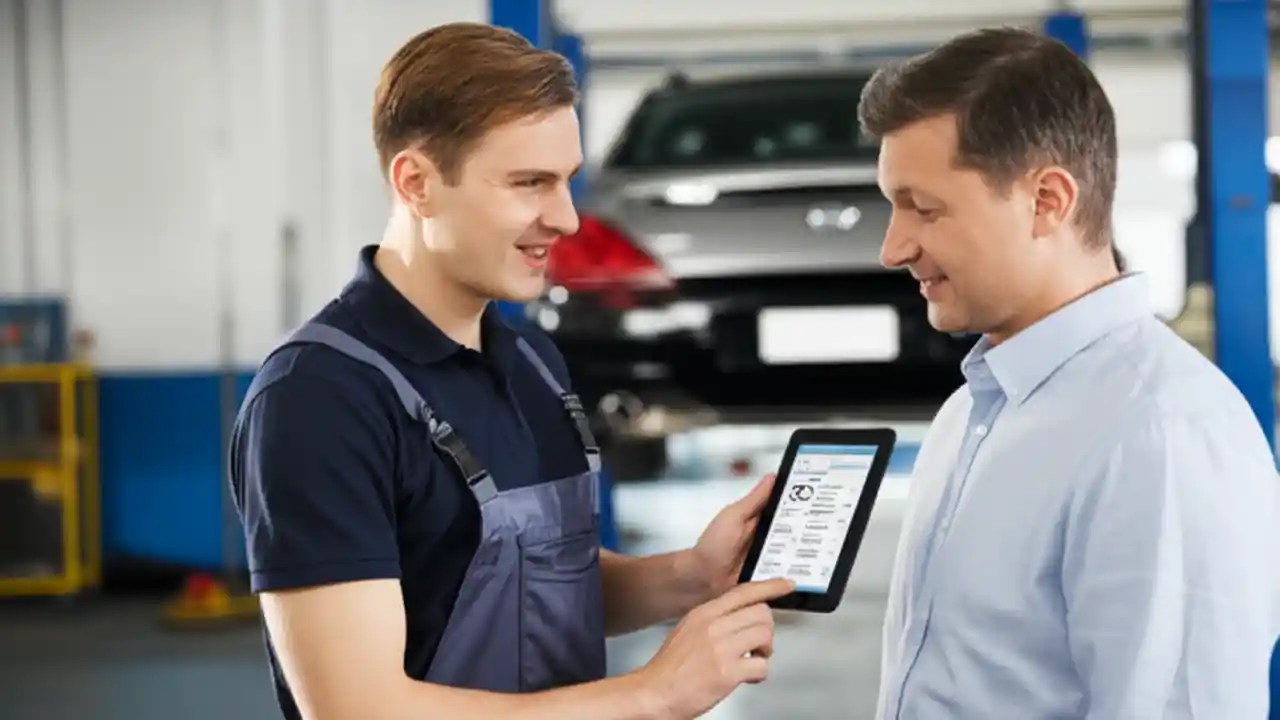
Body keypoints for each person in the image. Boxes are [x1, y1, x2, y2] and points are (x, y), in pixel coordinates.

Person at [227, 22, 793, 720]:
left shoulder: (532, 364)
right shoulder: (318, 400)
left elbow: (535, 582)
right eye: (530, 184)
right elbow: (357, 708)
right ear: (416, 183)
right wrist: (654, 693)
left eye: (567, 182)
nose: (566, 219)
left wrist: (690, 577)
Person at [857, 27, 1280, 719]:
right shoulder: (974, 411)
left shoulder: (1157, 432)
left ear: (1047, 200)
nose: (893, 247)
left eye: (924, 209)